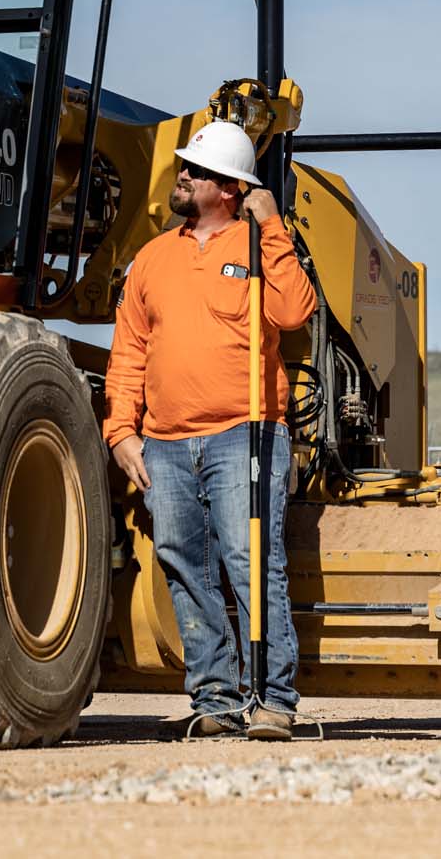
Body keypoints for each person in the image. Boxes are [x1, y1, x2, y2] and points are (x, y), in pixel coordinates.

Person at [104, 120, 318, 741]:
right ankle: (217, 699)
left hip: (244, 435)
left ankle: (275, 699)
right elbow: (128, 351)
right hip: (165, 444)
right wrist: (121, 431)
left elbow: (293, 310)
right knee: (181, 563)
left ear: (229, 187)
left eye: (194, 170)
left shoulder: (258, 243)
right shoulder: (153, 257)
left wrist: (271, 227)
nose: (182, 176)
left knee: (253, 562)